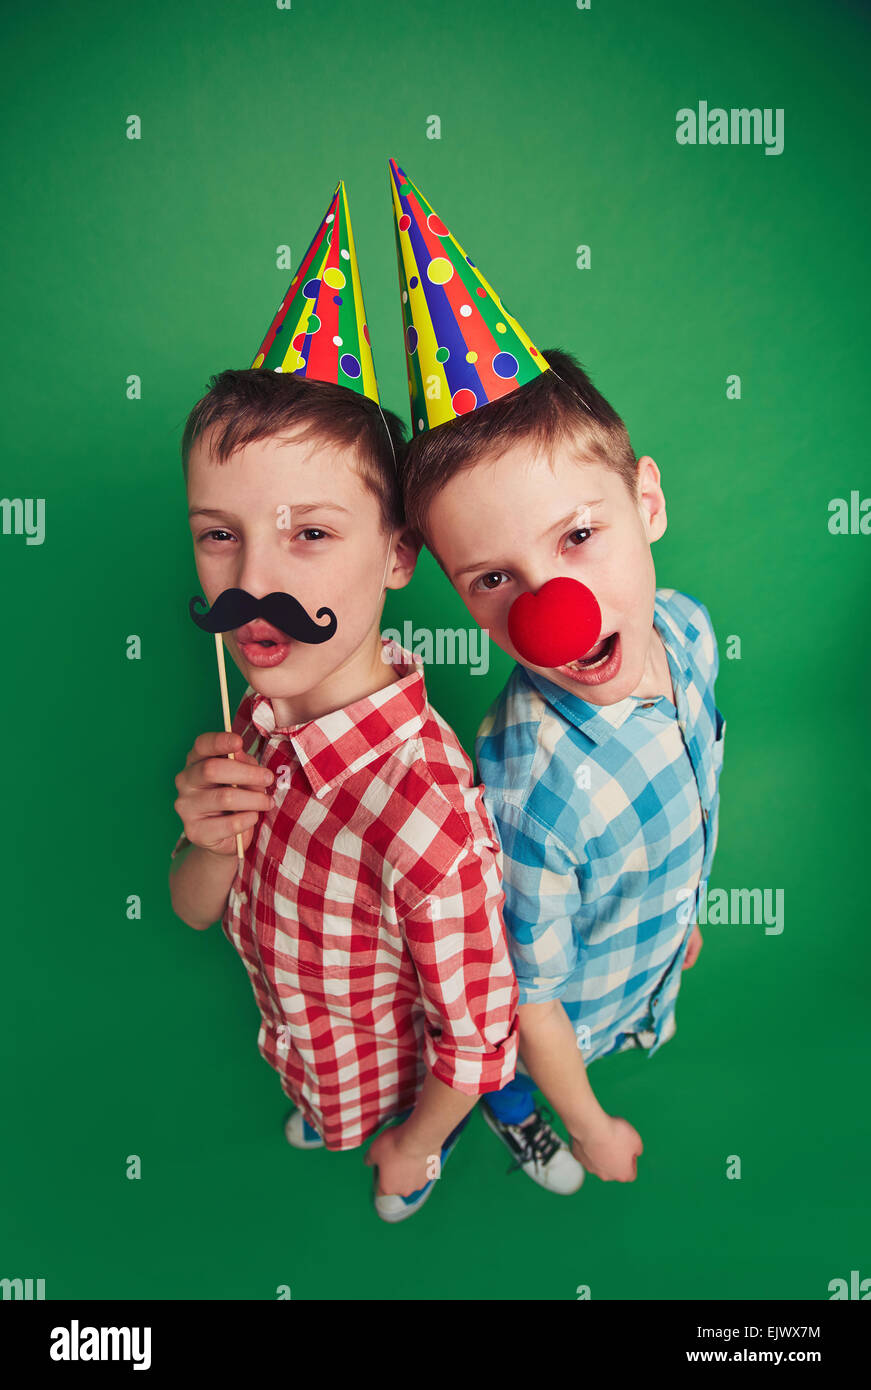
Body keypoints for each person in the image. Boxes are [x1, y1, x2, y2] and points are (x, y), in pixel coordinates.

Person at [169, 182, 519, 1223]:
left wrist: (410, 1143)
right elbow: (195, 909)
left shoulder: (424, 805)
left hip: (402, 1090)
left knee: (418, 1128)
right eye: (218, 532)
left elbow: (476, 1028)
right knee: (320, 1108)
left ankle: (426, 1142)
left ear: (399, 553)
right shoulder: (254, 712)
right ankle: (324, 1108)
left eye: (310, 534)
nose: (248, 580)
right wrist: (208, 836)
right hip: (304, 1050)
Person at [391, 160, 726, 1191]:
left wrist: (678, 914)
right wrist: (591, 1128)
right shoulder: (539, 787)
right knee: (495, 1045)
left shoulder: (690, 632)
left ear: (647, 502)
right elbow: (523, 995)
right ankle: (512, 1112)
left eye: (580, 535)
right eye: (495, 579)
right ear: (456, 588)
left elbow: (691, 776)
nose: (550, 609)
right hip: (549, 1019)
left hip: (637, 958)